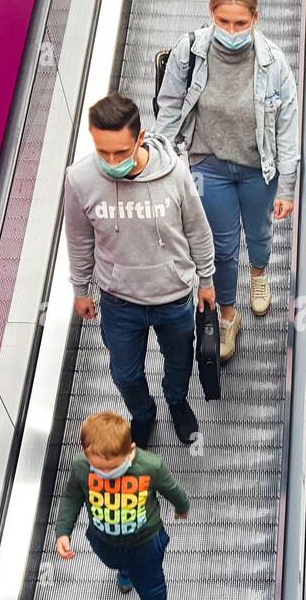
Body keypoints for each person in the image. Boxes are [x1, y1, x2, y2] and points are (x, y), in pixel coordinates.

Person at [153, 0, 300, 362]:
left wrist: (287, 187)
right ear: (211, 14)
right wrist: (158, 165)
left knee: (259, 232)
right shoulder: (190, 52)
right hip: (209, 165)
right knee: (220, 246)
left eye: (240, 23)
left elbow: (287, 128)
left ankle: (259, 273)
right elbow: (169, 108)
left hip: (257, 169)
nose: (232, 31)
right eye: (224, 22)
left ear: (256, 17)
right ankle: (229, 315)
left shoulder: (274, 64)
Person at [64, 93, 216, 447]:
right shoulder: (79, 180)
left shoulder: (175, 172)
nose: (111, 161)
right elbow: (78, 238)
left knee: (179, 362)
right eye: (103, 151)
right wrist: (80, 289)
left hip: (173, 295)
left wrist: (207, 280)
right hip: (119, 301)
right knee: (124, 373)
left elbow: (197, 228)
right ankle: (143, 413)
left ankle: (177, 403)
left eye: (120, 151)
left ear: (140, 138)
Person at [55, 411, 188, 600]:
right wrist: (63, 531)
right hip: (105, 542)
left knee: (151, 588)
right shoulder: (81, 467)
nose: (106, 474)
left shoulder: (149, 466)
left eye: (114, 468)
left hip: (145, 545)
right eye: (100, 468)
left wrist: (182, 507)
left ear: (131, 450)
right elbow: (72, 496)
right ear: (86, 455)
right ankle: (124, 570)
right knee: (116, 564)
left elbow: (173, 490)